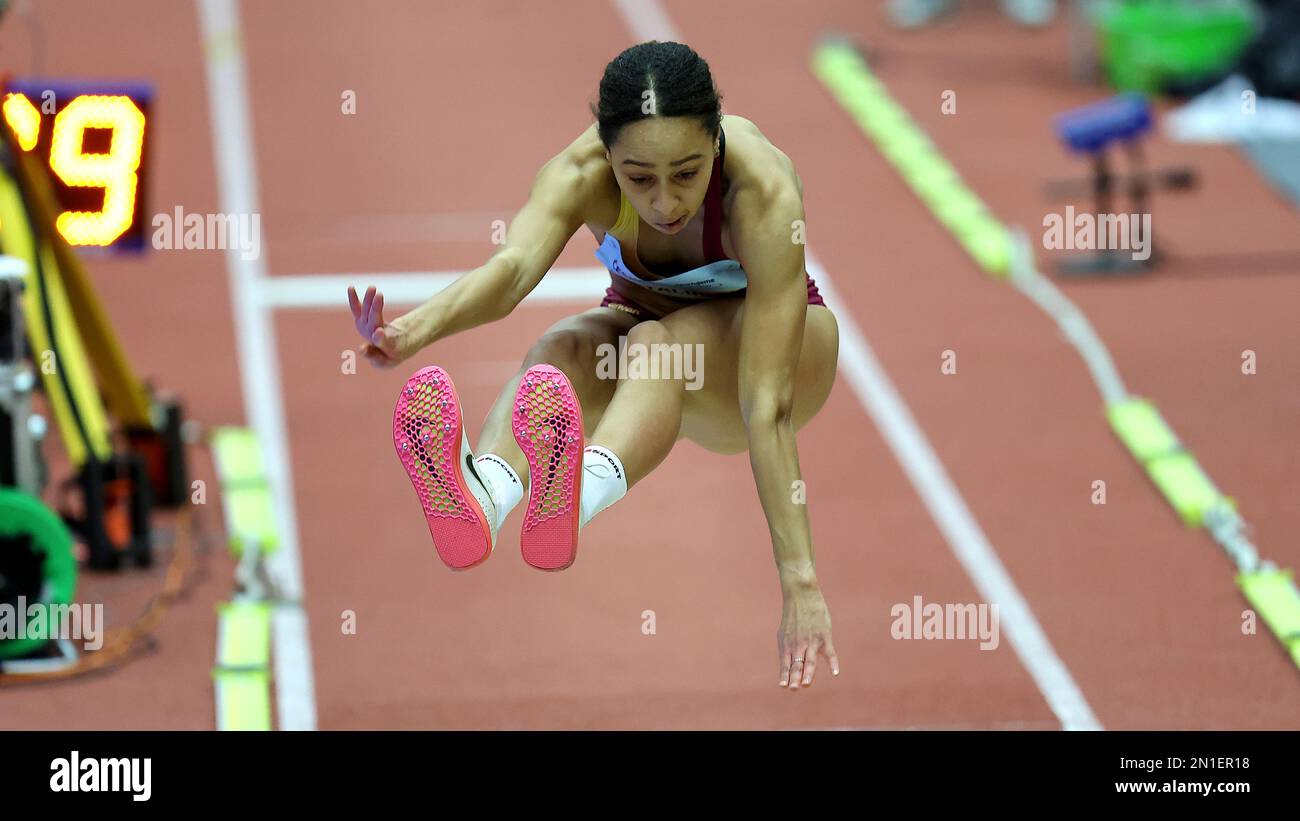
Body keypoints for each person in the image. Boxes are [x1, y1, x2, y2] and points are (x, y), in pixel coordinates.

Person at [348, 41, 840, 690]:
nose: (665, 202)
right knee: (563, 350)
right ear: (607, 158)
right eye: (639, 179)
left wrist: (800, 579)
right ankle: (486, 495)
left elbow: (768, 405)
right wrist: (408, 331)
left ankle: (573, 491)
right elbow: (512, 271)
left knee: (662, 345)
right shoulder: (576, 175)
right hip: (648, 336)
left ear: (717, 143)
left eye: (688, 173)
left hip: (783, 358)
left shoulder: (762, 191)